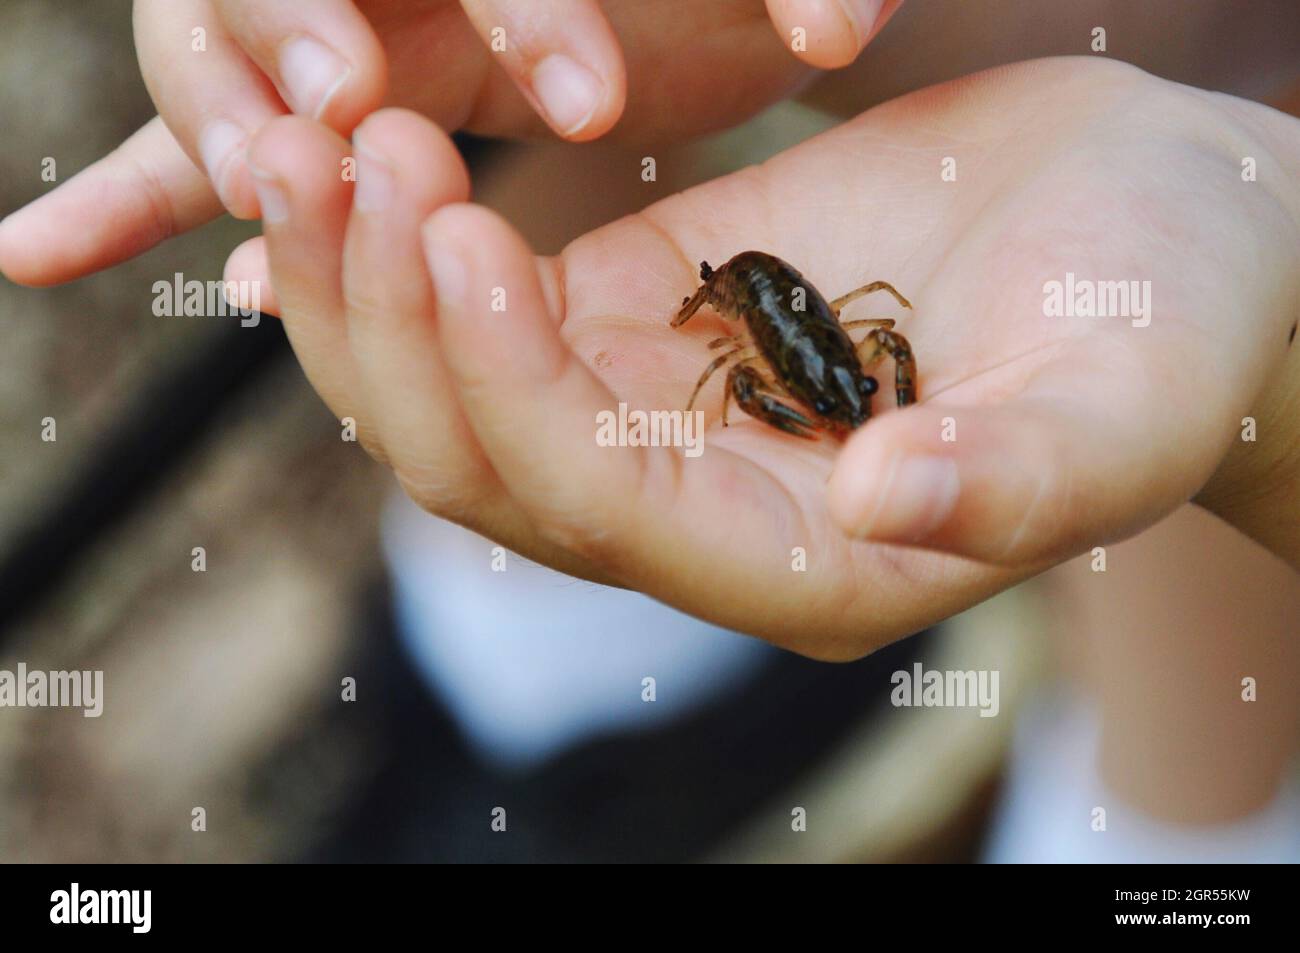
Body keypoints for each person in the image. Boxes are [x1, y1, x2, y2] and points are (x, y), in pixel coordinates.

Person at [2, 0, 1297, 860]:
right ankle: (574, 665)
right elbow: (785, 341)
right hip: (743, 247)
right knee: (548, 37)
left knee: (1210, 81)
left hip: (1200, 112)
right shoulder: (754, 322)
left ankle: (1182, 831)